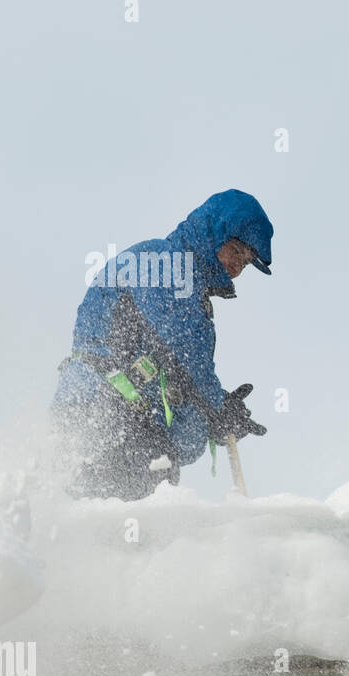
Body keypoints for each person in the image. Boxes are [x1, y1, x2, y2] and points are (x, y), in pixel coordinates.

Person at [53, 189, 273, 499]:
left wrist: (214, 414)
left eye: (246, 263)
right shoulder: (166, 263)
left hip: (123, 420)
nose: (238, 268)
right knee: (122, 526)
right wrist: (217, 409)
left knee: (114, 524)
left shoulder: (187, 288)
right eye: (236, 252)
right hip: (106, 410)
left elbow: (176, 370)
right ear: (213, 234)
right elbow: (180, 351)